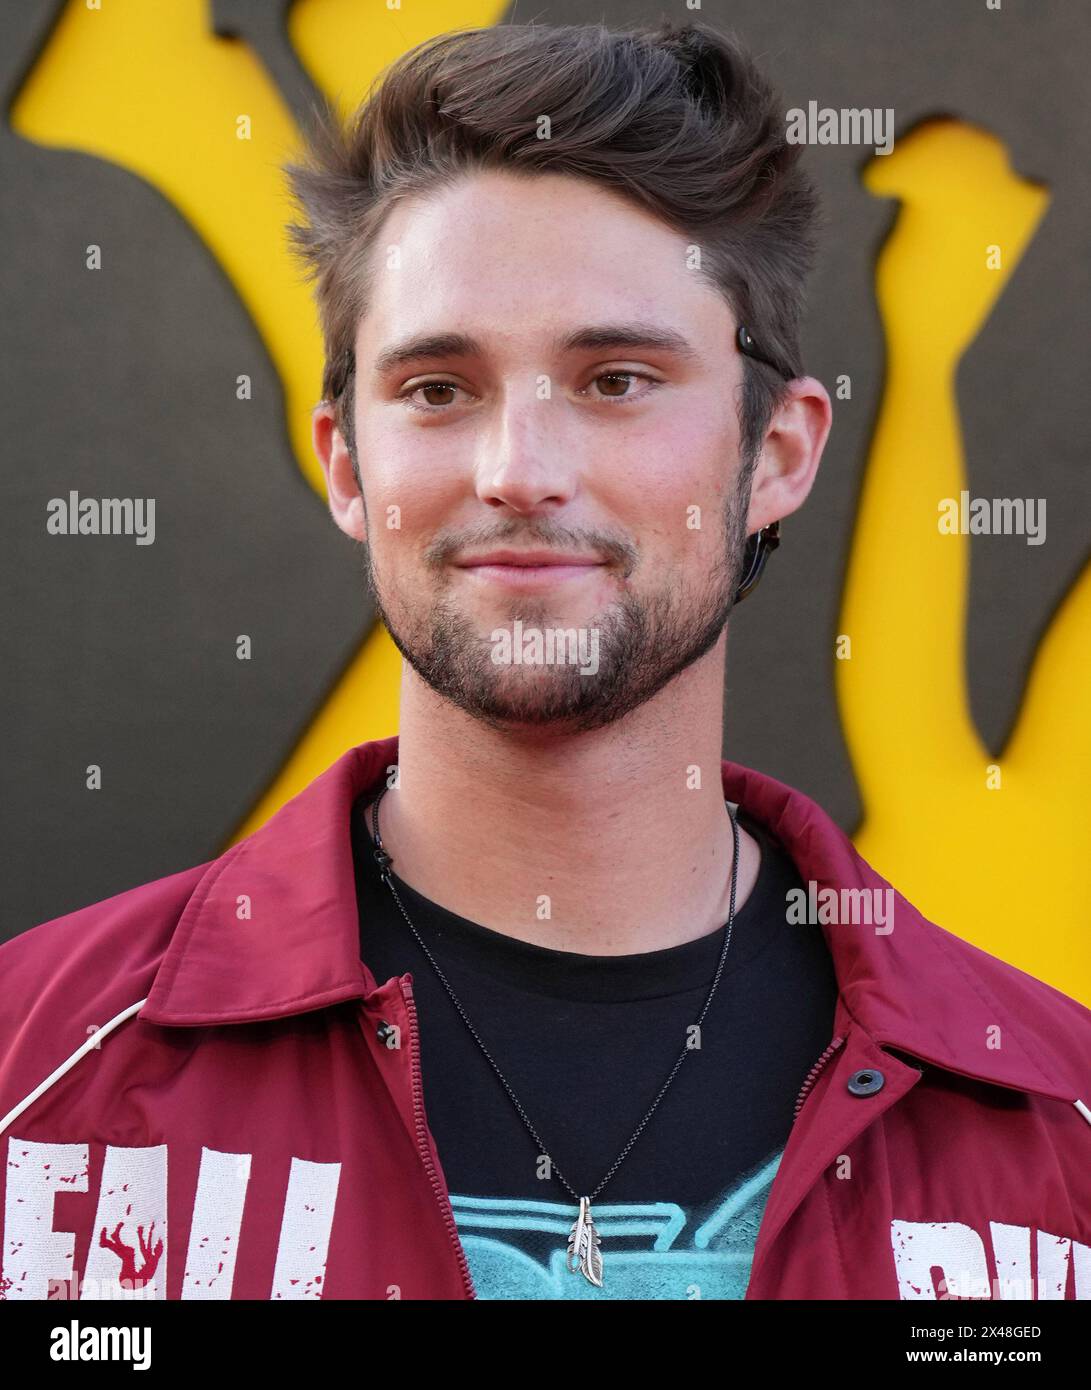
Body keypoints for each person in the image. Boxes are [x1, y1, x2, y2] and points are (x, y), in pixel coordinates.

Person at [2, 19, 1089, 1303]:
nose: (519, 470)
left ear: (779, 454)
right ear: (346, 460)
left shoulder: (1050, 1121)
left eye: (615, 378)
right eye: (437, 388)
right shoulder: (37, 1071)